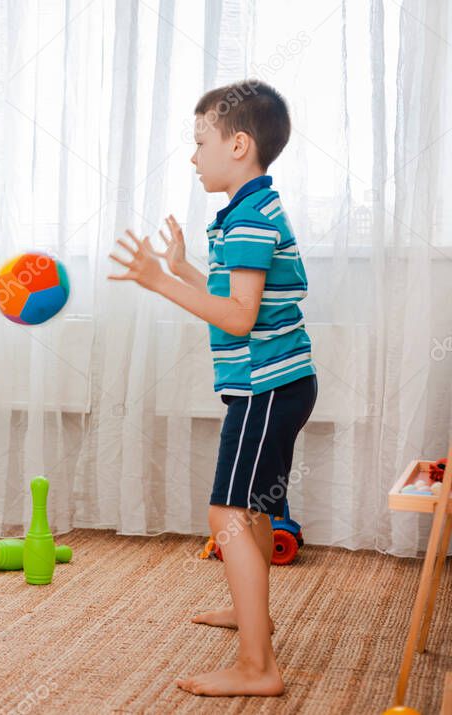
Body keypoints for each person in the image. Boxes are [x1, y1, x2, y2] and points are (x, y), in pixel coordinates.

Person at [109, 82, 317, 696]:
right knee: (250, 510)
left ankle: (258, 667)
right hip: (276, 384)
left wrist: (159, 283)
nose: (193, 157)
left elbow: (239, 318)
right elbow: (233, 295)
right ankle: (256, 617)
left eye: (200, 143)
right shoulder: (247, 211)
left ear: (239, 144)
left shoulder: (251, 217)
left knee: (226, 513)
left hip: (267, 387)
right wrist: (183, 270)